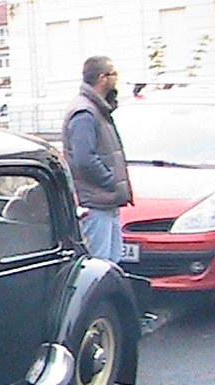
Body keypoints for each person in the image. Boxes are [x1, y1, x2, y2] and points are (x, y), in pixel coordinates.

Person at [61, 55, 133, 262]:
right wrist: (110, 182)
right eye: (114, 74)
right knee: (99, 264)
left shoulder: (98, 109)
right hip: (96, 203)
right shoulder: (85, 112)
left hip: (106, 201)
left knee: (112, 264)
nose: (116, 79)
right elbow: (84, 159)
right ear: (103, 78)